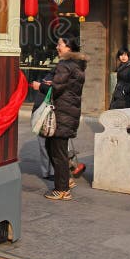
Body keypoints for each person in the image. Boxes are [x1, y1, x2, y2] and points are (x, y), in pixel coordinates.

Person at [41, 36, 87, 201]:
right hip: (68, 112)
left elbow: (56, 88)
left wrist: (40, 86)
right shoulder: (76, 65)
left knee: (58, 151)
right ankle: (65, 179)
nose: (57, 46)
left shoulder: (65, 65)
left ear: (68, 47)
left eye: (60, 44)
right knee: (51, 145)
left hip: (62, 113)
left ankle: (62, 189)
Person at [30, 65, 56, 180]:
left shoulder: (62, 80)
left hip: (52, 115)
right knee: (45, 145)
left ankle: (52, 171)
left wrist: (41, 86)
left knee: (50, 145)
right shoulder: (49, 77)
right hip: (44, 115)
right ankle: (48, 172)